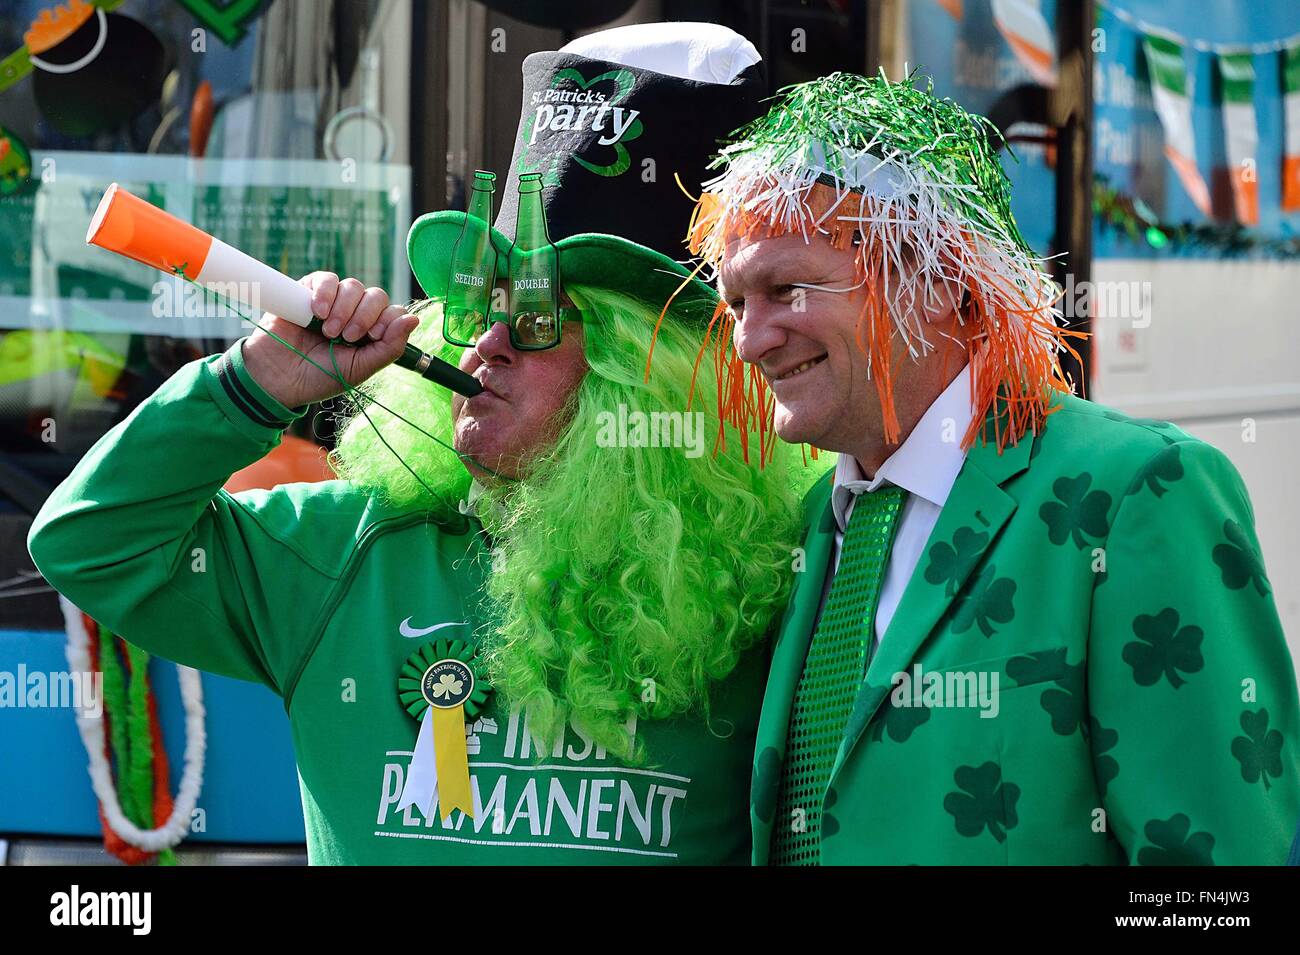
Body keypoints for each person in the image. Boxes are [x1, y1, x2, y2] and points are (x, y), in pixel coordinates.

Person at [29, 23, 805, 864]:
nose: (487, 343)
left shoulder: (773, 582)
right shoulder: (348, 553)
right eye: (483, 300)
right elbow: (89, 543)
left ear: (651, 371)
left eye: (540, 318)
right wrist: (255, 382)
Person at [680, 71, 1300, 865]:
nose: (749, 339)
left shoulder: (1135, 493)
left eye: (787, 288)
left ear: (939, 280)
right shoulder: (812, 527)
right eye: (736, 302)